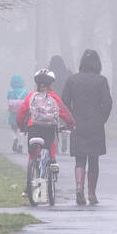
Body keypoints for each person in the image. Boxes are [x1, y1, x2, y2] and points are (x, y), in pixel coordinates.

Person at [60, 48, 112, 205]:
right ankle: (91, 194)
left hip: (77, 124)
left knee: (80, 159)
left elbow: (64, 102)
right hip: (95, 124)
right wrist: (101, 118)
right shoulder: (101, 80)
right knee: (94, 160)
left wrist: (70, 120)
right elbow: (108, 103)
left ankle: (78, 187)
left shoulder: (72, 80)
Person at [16, 68, 76, 200]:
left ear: (37, 84)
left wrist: (22, 126)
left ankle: (30, 188)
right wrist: (71, 125)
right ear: (50, 84)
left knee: (33, 156)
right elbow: (65, 113)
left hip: (33, 128)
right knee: (50, 145)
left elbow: (21, 114)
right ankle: (53, 162)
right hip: (49, 129)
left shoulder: (31, 97)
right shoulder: (54, 98)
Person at [48, 54, 74, 154]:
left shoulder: (49, 74)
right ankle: (64, 139)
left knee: (53, 123)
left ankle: (56, 144)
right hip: (65, 101)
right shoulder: (67, 73)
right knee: (64, 122)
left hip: (52, 101)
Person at [6, 74, 29, 153]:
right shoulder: (25, 92)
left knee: (13, 129)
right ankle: (21, 145)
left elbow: (8, 99)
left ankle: (15, 138)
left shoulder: (10, 92)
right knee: (22, 130)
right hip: (22, 114)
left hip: (13, 114)